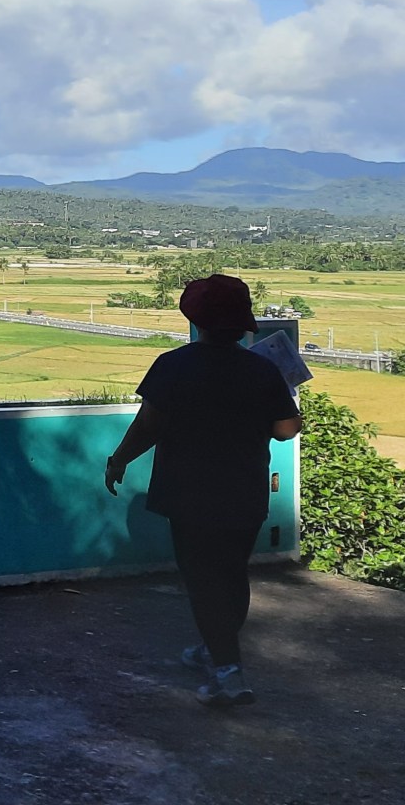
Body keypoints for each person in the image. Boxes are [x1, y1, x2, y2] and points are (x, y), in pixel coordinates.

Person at [104, 273, 302, 708]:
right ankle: (215, 649)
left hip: (189, 493)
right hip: (246, 491)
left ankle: (229, 673)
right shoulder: (263, 369)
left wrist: (119, 460)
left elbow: (148, 426)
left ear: (195, 319)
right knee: (231, 575)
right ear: (243, 323)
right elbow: (287, 430)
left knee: (202, 580)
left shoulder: (173, 365)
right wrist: (280, 390)